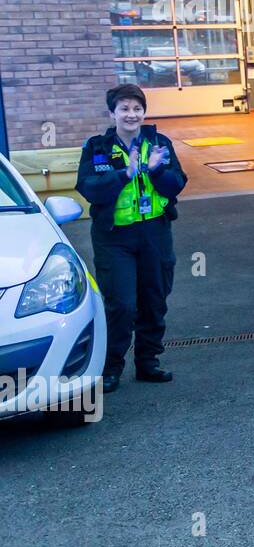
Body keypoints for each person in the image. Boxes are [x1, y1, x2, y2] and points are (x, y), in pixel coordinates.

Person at [75, 83, 187, 393]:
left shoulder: (159, 143)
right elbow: (89, 189)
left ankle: (148, 362)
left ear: (143, 112)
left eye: (137, 108)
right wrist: (125, 173)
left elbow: (176, 183)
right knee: (122, 304)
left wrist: (153, 172)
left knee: (154, 298)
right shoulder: (97, 148)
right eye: (124, 108)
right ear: (112, 113)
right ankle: (111, 368)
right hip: (115, 238)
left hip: (154, 233)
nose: (131, 114)